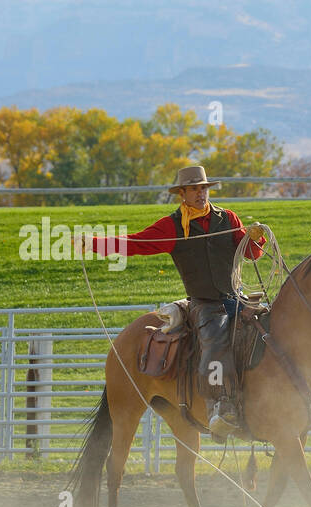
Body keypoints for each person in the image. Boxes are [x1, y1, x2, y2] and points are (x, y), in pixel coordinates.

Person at [81, 165, 265, 438]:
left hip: (235, 298)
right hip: (204, 304)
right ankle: (218, 407)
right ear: (183, 194)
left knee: (271, 327)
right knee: (214, 341)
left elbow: (252, 254)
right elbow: (135, 243)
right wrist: (94, 243)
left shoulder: (228, 219)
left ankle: (291, 395)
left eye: (203, 188)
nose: (201, 193)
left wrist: (255, 237)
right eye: (194, 189)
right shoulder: (172, 226)